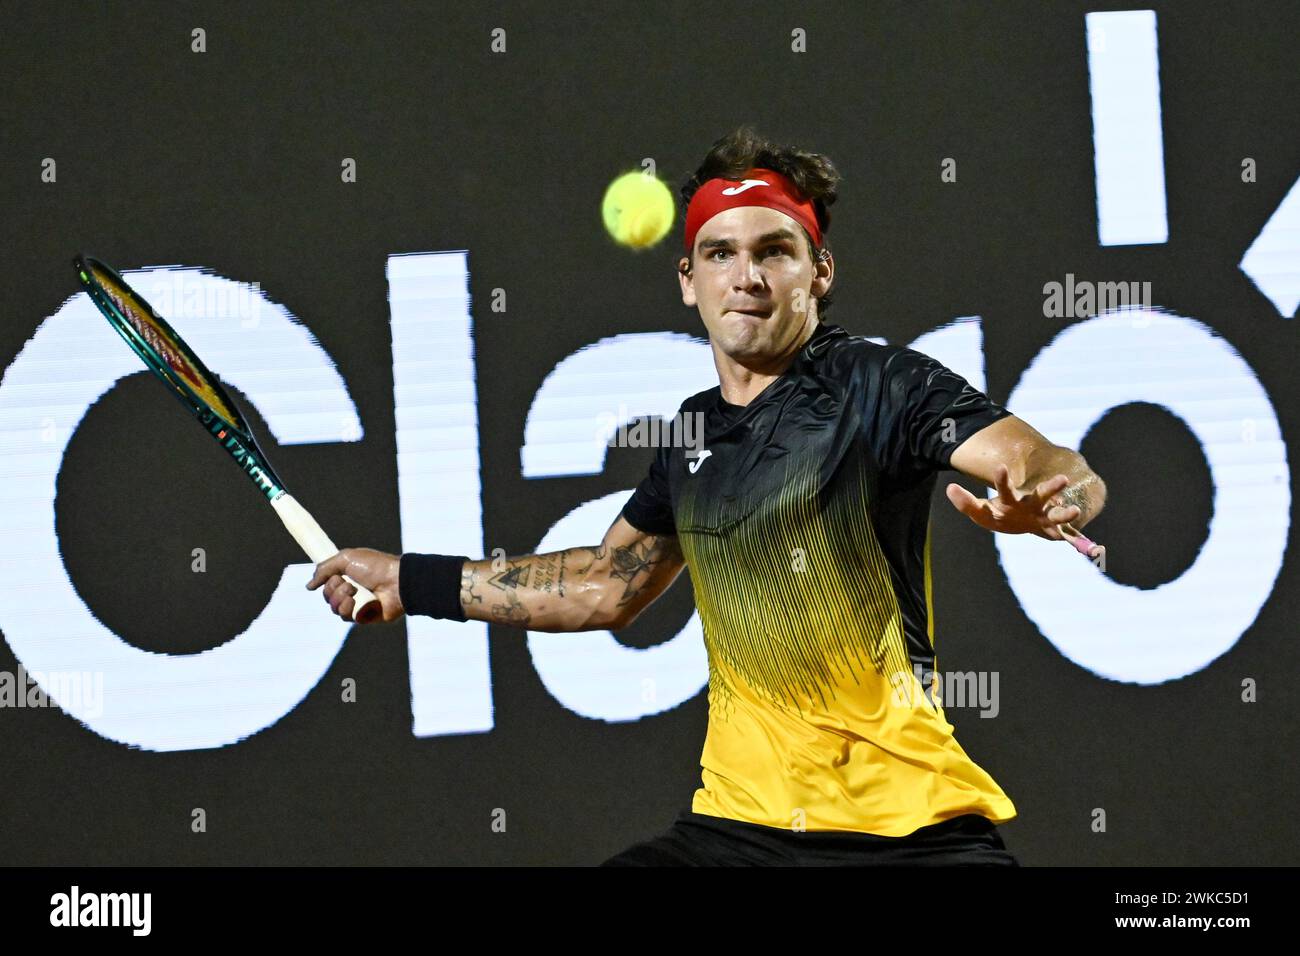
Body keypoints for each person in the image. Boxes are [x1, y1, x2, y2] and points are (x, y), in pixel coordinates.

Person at [306, 127, 1107, 866]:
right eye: (719, 254)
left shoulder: (881, 383)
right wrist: (410, 582)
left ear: (819, 271)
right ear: (688, 281)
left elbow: (1036, 456)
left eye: (775, 251)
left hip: (908, 835)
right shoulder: (692, 437)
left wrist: (1054, 492)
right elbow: (603, 586)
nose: (747, 276)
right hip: (737, 831)